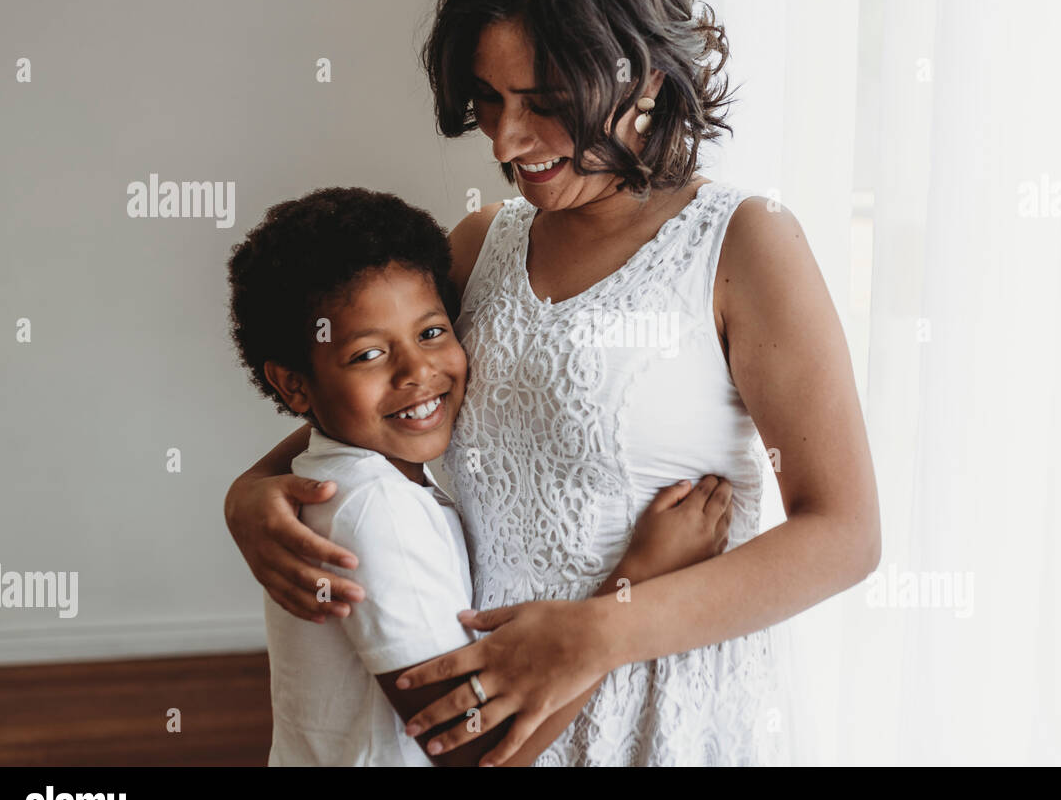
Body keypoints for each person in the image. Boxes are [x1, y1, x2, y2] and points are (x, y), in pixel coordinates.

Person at [224, 0, 880, 766]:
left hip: (669, 712)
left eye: (545, 102)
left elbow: (844, 533)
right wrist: (246, 493)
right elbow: (372, 415)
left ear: (646, 76)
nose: (506, 137)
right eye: (489, 100)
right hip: (500, 723)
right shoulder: (477, 245)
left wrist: (605, 628)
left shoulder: (743, 244)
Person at [226, 185, 732, 766]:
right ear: (293, 384)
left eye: (432, 332)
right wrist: (635, 583)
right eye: (368, 355)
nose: (417, 371)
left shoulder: (358, 484)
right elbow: (477, 756)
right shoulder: (374, 512)